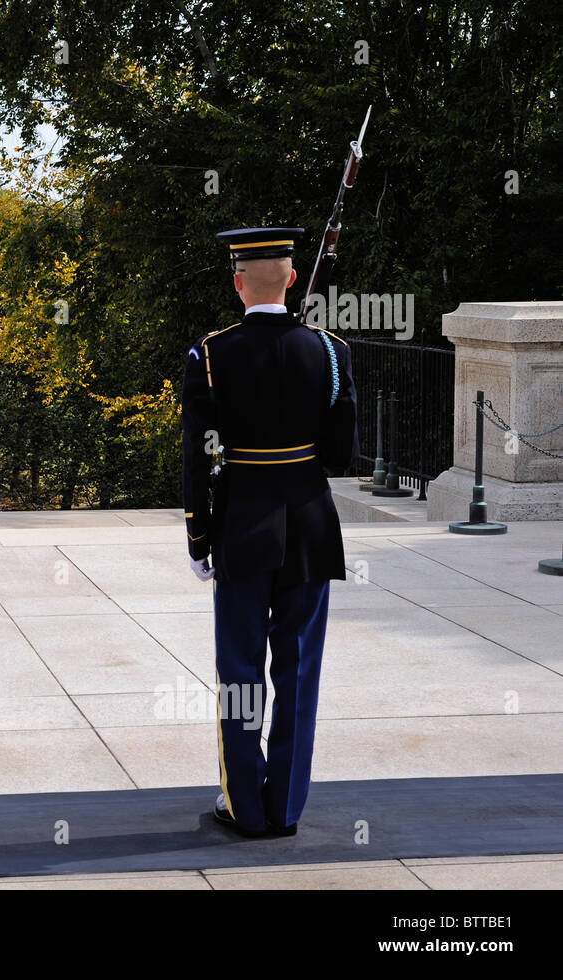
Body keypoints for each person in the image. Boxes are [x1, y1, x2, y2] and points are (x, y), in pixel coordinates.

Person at [180, 227, 359, 838]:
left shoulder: (210, 354)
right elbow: (341, 455)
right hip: (310, 526)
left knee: (240, 673)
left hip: (240, 527)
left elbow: (196, 458)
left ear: (237, 282)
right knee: (299, 671)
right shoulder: (331, 351)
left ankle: (244, 807)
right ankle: (285, 807)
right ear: (289, 277)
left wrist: (199, 536)